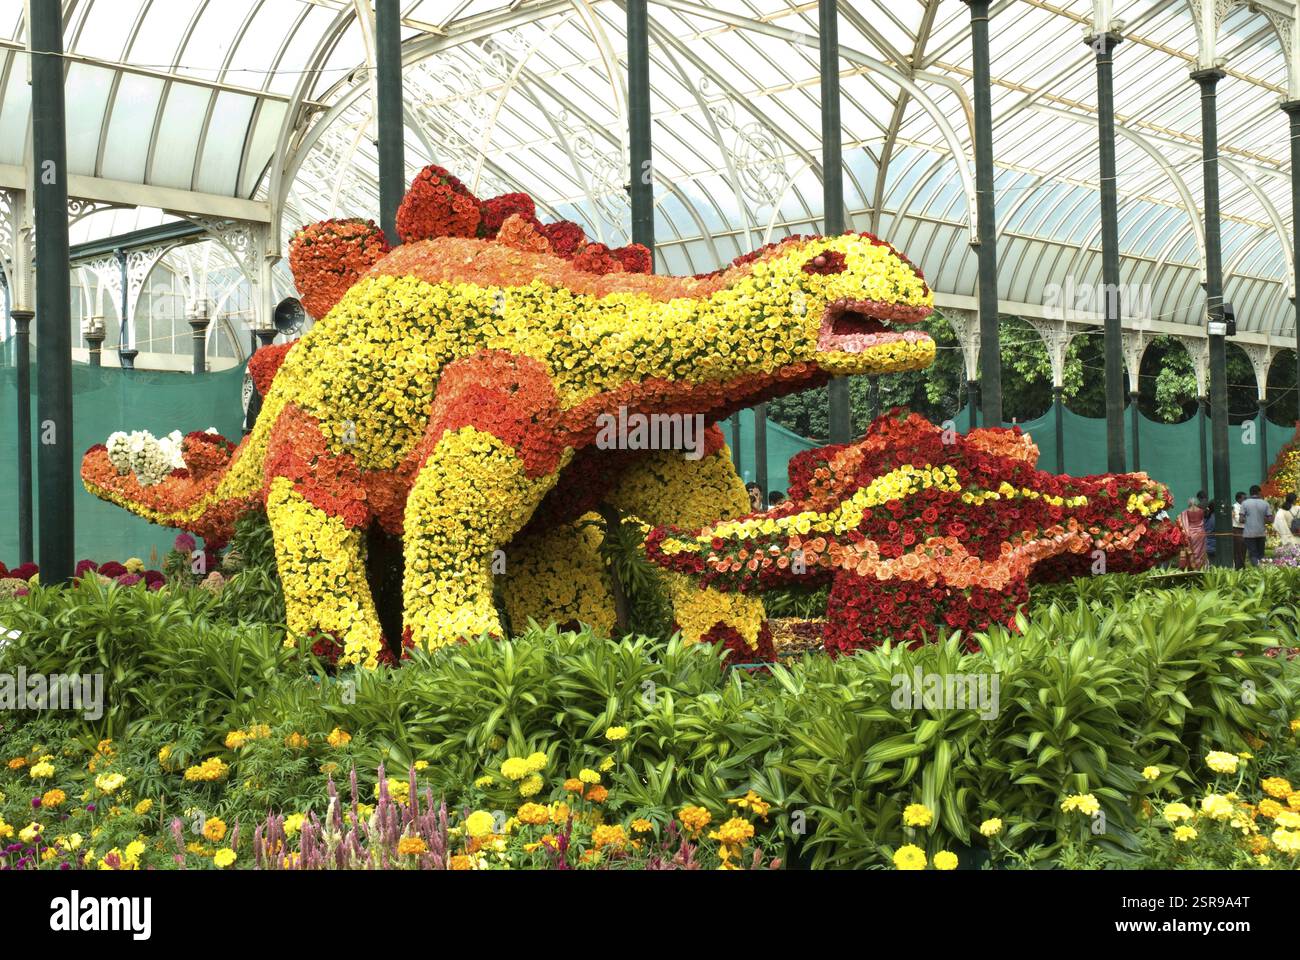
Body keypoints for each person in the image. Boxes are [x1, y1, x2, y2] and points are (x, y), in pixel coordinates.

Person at [1240, 485, 1273, 566]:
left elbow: (1241, 520)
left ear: (1250, 493)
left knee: (1253, 554)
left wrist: (1249, 519)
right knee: (1261, 554)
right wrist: (1262, 519)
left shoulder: (1244, 503)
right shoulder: (1265, 503)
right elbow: (1270, 520)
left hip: (1249, 534)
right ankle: (1262, 571)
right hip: (1261, 533)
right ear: (1259, 492)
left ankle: (1257, 570)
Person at [1177, 497, 1207, 570]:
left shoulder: (1186, 512)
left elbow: (1180, 520)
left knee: (1192, 551)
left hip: (1190, 534)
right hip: (1200, 534)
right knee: (1200, 552)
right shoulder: (1201, 511)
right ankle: (1200, 567)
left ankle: (1192, 567)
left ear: (1188, 503)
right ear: (1196, 503)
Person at [1232, 491, 1247, 568]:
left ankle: (1242, 567)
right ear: (1238, 499)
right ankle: (1239, 568)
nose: (1245, 500)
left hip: (1245, 530)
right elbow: (1239, 520)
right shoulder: (1234, 507)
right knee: (1238, 551)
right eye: (1244, 498)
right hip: (1237, 530)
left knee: (1244, 549)